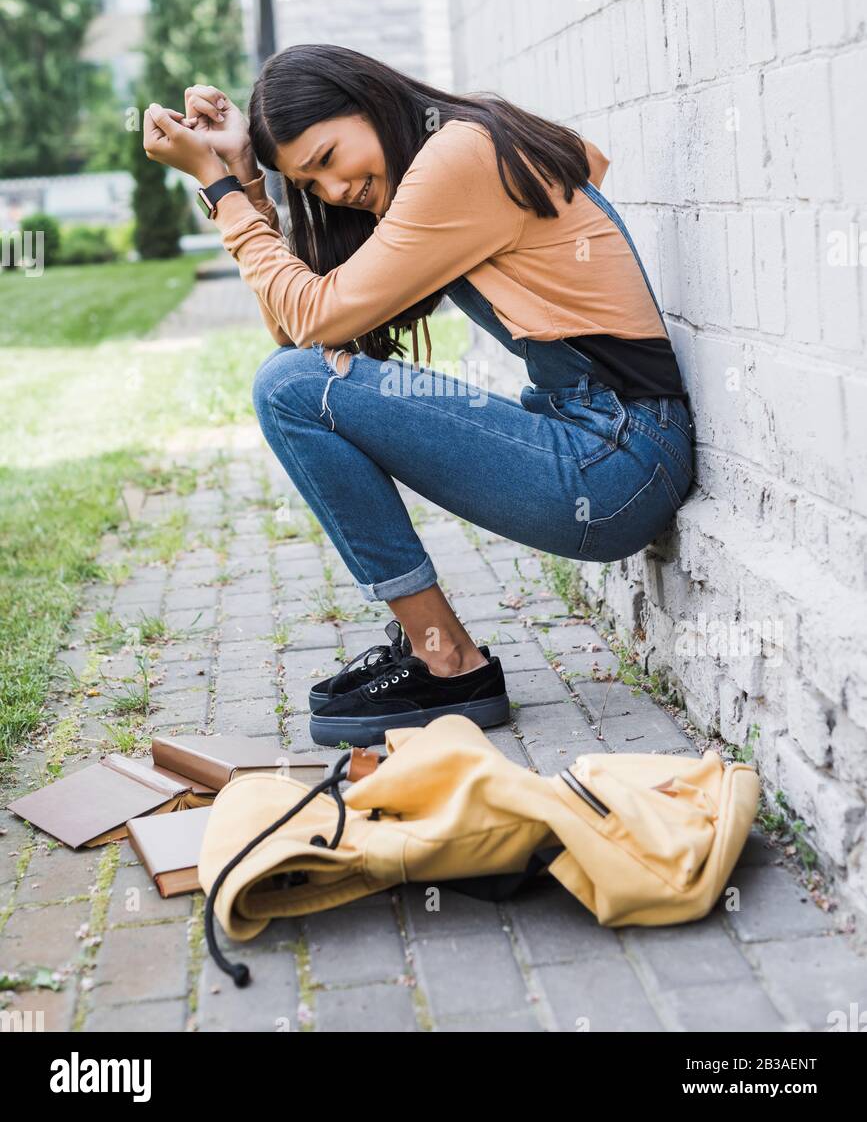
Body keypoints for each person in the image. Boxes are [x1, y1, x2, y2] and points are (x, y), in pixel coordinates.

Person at [143, 44, 694, 748]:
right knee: (296, 381)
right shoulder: (448, 151)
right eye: (309, 184)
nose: (333, 190)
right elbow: (297, 328)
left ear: (368, 101)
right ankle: (438, 652)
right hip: (602, 443)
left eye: (327, 158)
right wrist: (246, 178)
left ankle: (447, 661)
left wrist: (216, 191)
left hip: (618, 458)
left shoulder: (459, 156)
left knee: (289, 391)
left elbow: (309, 324)